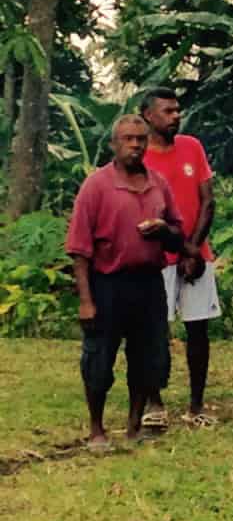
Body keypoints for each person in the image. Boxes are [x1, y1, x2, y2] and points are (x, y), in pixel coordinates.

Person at [66, 115, 185, 449]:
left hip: (148, 283)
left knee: (147, 357)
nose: (135, 145)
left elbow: (178, 234)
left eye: (140, 139)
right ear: (114, 144)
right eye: (128, 139)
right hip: (107, 283)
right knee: (99, 359)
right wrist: (86, 301)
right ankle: (97, 429)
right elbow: (79, 250)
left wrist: (164, 231)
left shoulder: (158, 184)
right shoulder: (96, 186)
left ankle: (134, 427)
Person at [140, 88, 220, 428]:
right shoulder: (138, 155)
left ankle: (196, 405)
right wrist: (180, 249)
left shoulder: (192, 147)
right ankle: (153, 402)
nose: (176, 116)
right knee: (152, 330)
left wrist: (193, 249)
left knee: (198, 330)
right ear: (148, 116)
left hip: (197, 255)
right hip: (155, 258)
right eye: (168, 111)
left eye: (177, 110)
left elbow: (208, 201)